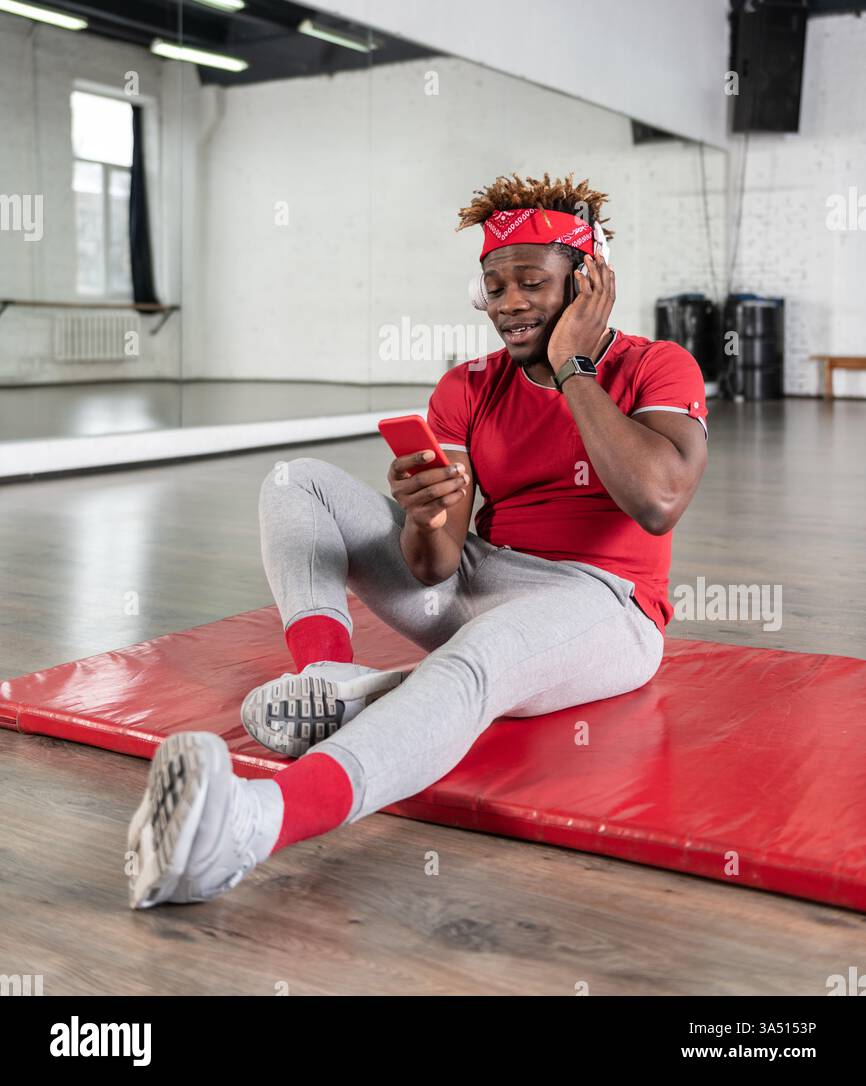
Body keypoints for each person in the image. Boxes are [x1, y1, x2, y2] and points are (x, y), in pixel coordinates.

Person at [127, 173, 708, 908]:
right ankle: (330, 679)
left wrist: (573, 367)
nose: (510, 304)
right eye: (494, 288)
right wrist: (428, 518)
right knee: (296, 482)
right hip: (477, 580)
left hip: (604, 604)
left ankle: (250, 825)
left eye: (531, 283)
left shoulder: (657, 364)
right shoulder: (466, 386)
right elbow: (433, 570)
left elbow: (657, 501)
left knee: (478, 657)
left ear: (588, 282)